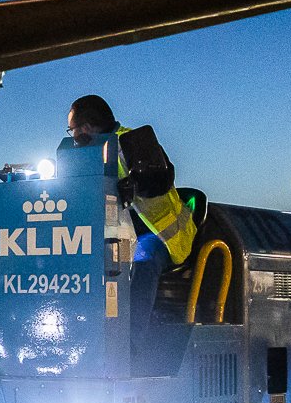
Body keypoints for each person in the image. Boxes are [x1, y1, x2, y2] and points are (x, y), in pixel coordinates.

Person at [56, 93, 200, 314]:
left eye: (72, 129)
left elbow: (160, 180)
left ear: (85, 128)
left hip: (158, 234)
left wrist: (136, 184)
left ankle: (131, 342)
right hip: (117, 234)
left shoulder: (135, 142)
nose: (72, 136)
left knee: (142, 260)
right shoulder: (87, 155)